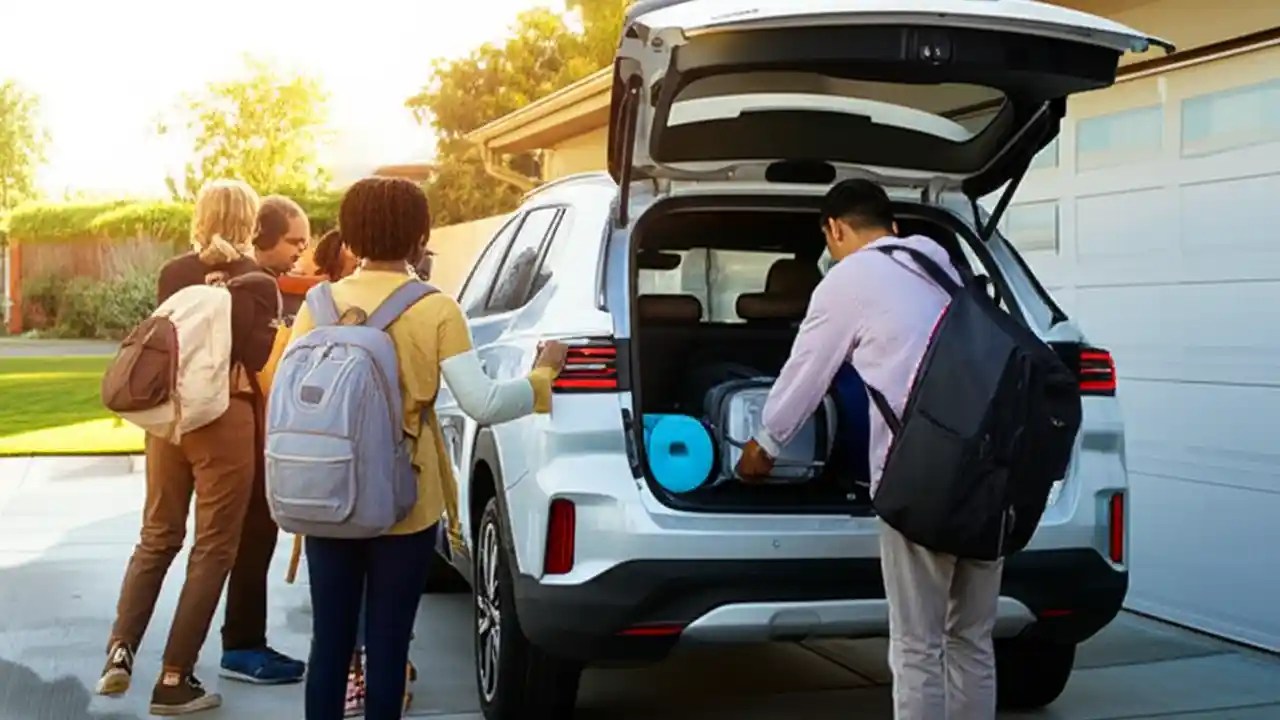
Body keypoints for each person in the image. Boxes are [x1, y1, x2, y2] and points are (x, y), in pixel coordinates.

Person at [282, 177, 567, 720]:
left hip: (328, 494)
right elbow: (482, 402)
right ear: (421, 236)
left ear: (351, 234)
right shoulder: (436, 309)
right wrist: (542, 377)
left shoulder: (318, 304)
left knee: (330, 646)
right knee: (389, 647)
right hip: (405, 499)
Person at [735, 179, 1003, 720]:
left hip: (921, 476)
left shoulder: (849, 278)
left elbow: (806, 373)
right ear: (894, 227)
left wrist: (763, 447)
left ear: (834, 229)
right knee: (972, 639)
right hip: (989, 468)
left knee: (918, 645)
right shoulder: (941, 264)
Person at [96, 179, 284, 716]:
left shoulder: (173, 274)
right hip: (225, 417)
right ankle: (175, 678)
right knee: (213, 548)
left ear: (200, 216)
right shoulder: (259, 283)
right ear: (250, 221)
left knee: (157, 537)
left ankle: (119, 651)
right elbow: (252, 355)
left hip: (168, 421)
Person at [218, 195, 311, 685]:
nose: (302, 249)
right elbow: (258, 366)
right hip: (240, 432)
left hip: (236, 430)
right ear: (262, 236)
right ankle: (240, 647)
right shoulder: (254, 288)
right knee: (249, 537)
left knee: (243, 539)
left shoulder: (247, 282)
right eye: (294, 240)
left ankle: (239, 643)